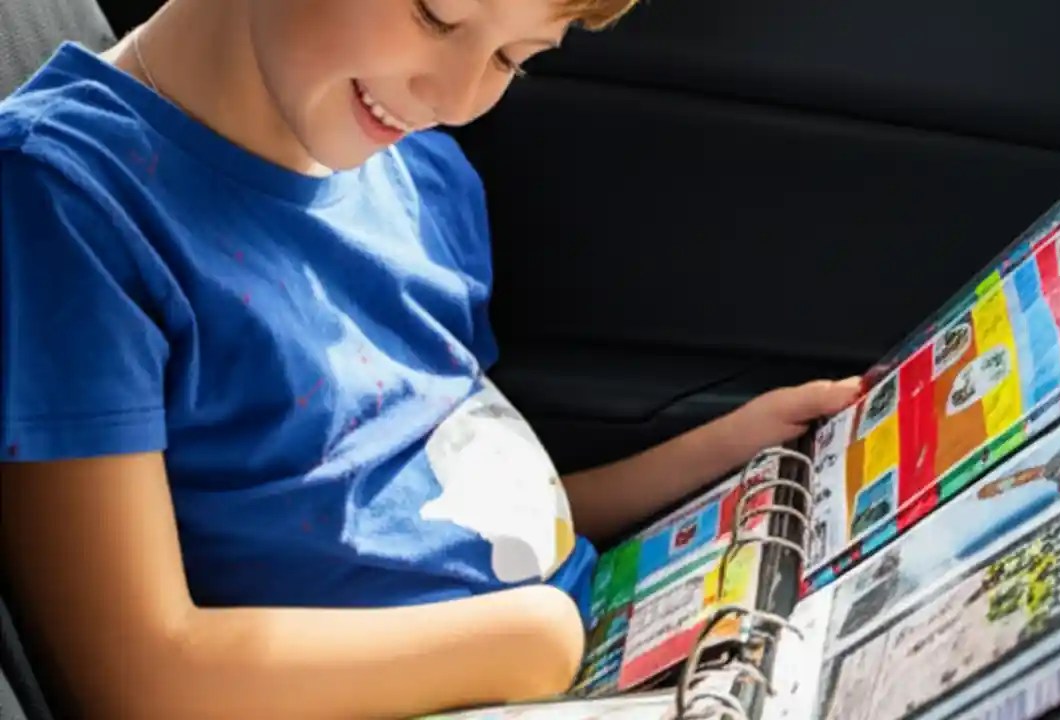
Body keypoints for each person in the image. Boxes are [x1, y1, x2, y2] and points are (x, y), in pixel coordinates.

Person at [0, 1, 863, 717]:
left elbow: (465, 530)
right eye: (436, 14)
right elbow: (140, 678)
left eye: (513, 59)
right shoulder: (65, 199)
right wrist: (528, 644)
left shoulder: (419, 174)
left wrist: (718, 454)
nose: (455, 96)